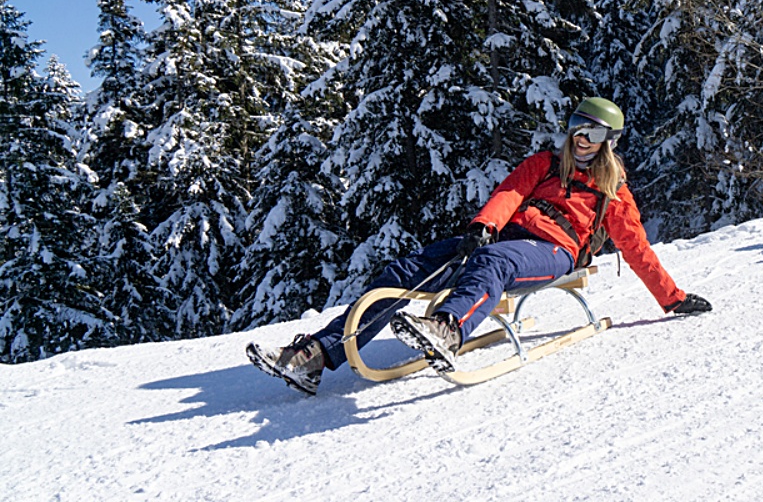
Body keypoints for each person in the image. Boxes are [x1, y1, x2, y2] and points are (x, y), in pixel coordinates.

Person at [247, 97, 712, 394]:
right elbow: (508, 193)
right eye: (575, 126)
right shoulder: (545, 163)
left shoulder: (611, 188)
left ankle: (450, 330)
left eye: (590, 132)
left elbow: (636, 247)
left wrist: (672, 299)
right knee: (406, 270)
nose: (579, 138)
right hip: (507, 235)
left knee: (492, 263)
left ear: (607, 141)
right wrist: (483, 225)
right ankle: (317, 354)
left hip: (554, 251)